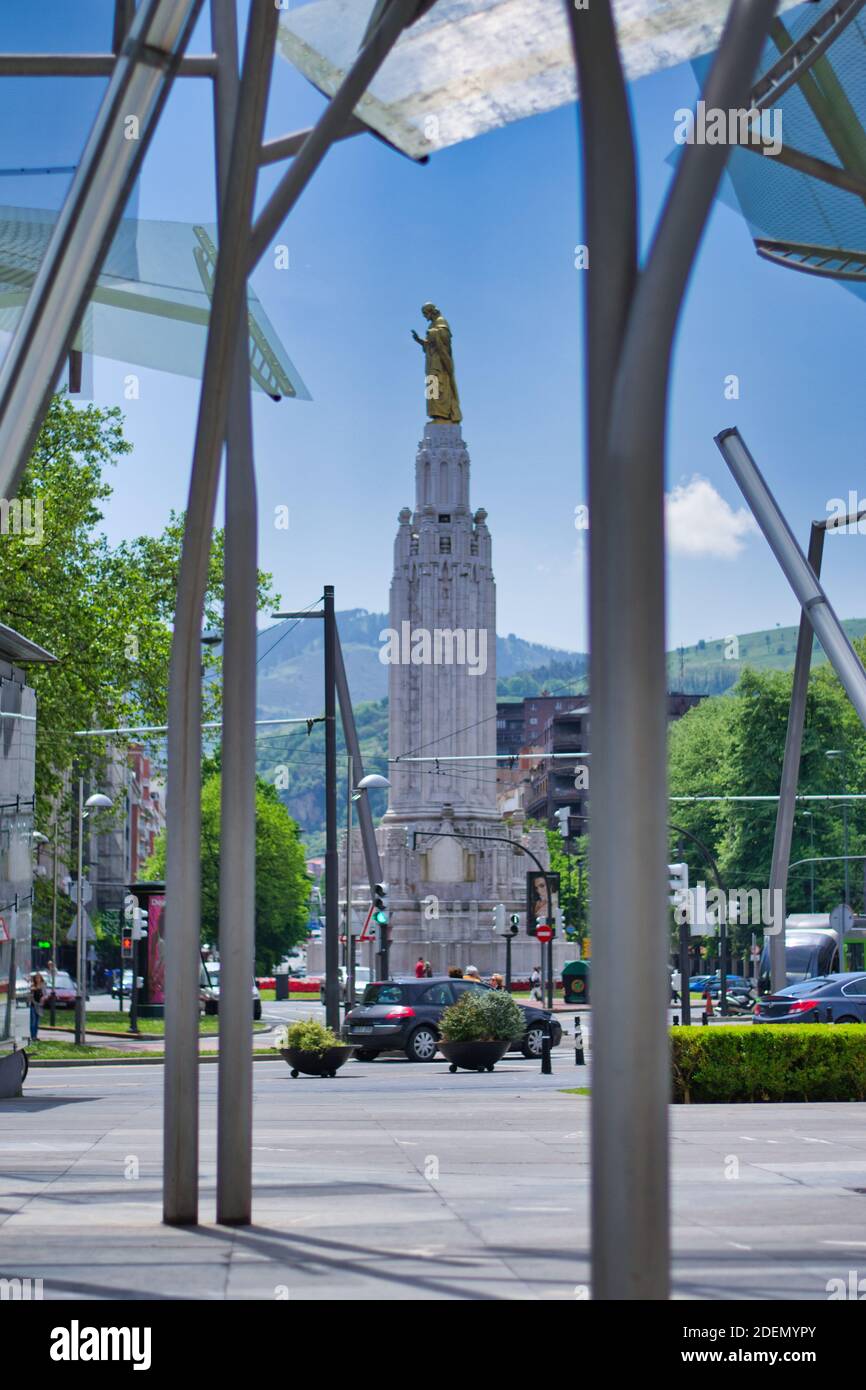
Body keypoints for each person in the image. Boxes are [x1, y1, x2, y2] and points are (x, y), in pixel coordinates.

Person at [30, 970, 45, 1042]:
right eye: (36, 978)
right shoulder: (33, 986)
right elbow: (31, 996)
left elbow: (44, 995)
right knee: (33, 1022)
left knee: (37, 1023)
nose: (38, 979)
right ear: (35, 979)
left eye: (39, 978)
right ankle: (32, 1036)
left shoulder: (42, 986)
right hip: (33, 1006)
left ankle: (35, 1036)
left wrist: (43, 998)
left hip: (39, 1006)